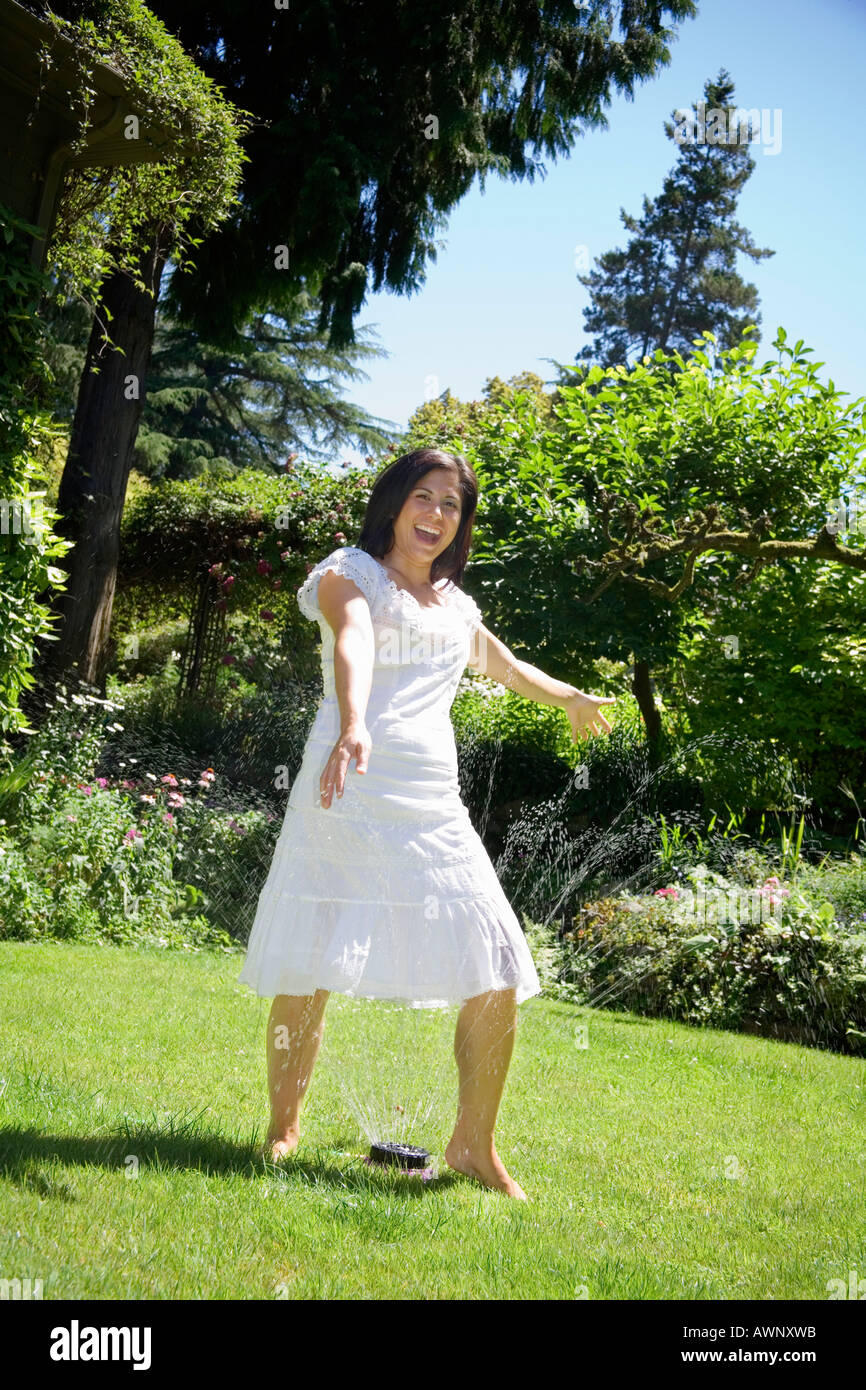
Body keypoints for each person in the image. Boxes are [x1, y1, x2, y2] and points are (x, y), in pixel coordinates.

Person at [239, 448, 615, 1199]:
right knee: (310, 961)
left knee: (499, 962)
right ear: (395, 502)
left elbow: (504, 667)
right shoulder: (351, 571)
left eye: (452, 505)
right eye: (425, 497)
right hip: (347, 784)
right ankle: (283, 1130)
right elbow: (352, 641)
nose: (436, 515)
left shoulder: (456, 604)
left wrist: (569, 695)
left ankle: (474, 1145)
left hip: (432, 802)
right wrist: (353, 724)